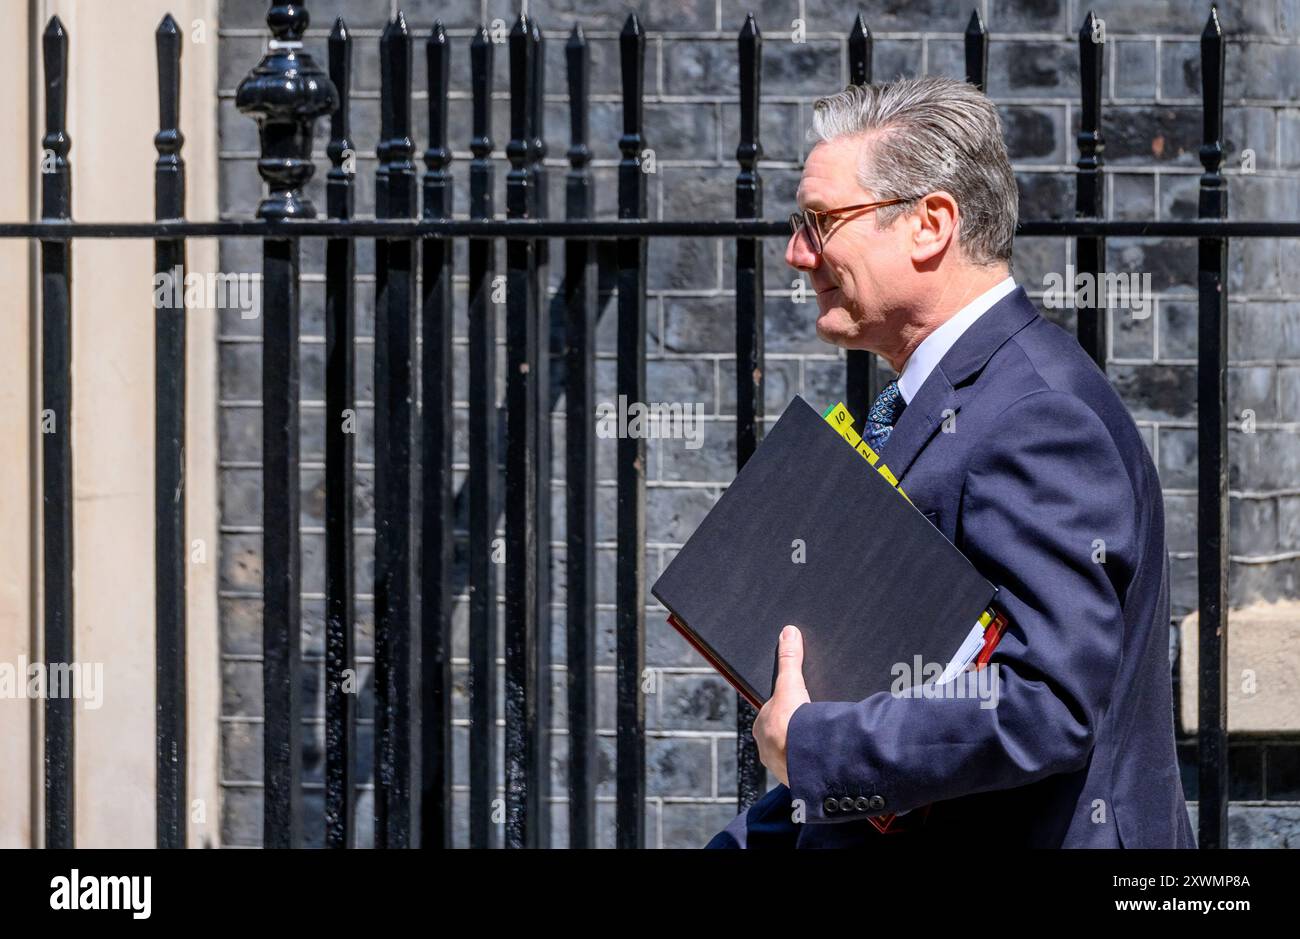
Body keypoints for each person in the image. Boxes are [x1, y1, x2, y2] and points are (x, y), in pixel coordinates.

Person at [706, 76, 1195, 848]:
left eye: (821, 221)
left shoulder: (1037, 414)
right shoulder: (944, 395)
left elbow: (1048, 701)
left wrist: (814, 745)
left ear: (930, 223)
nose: (799, 253)